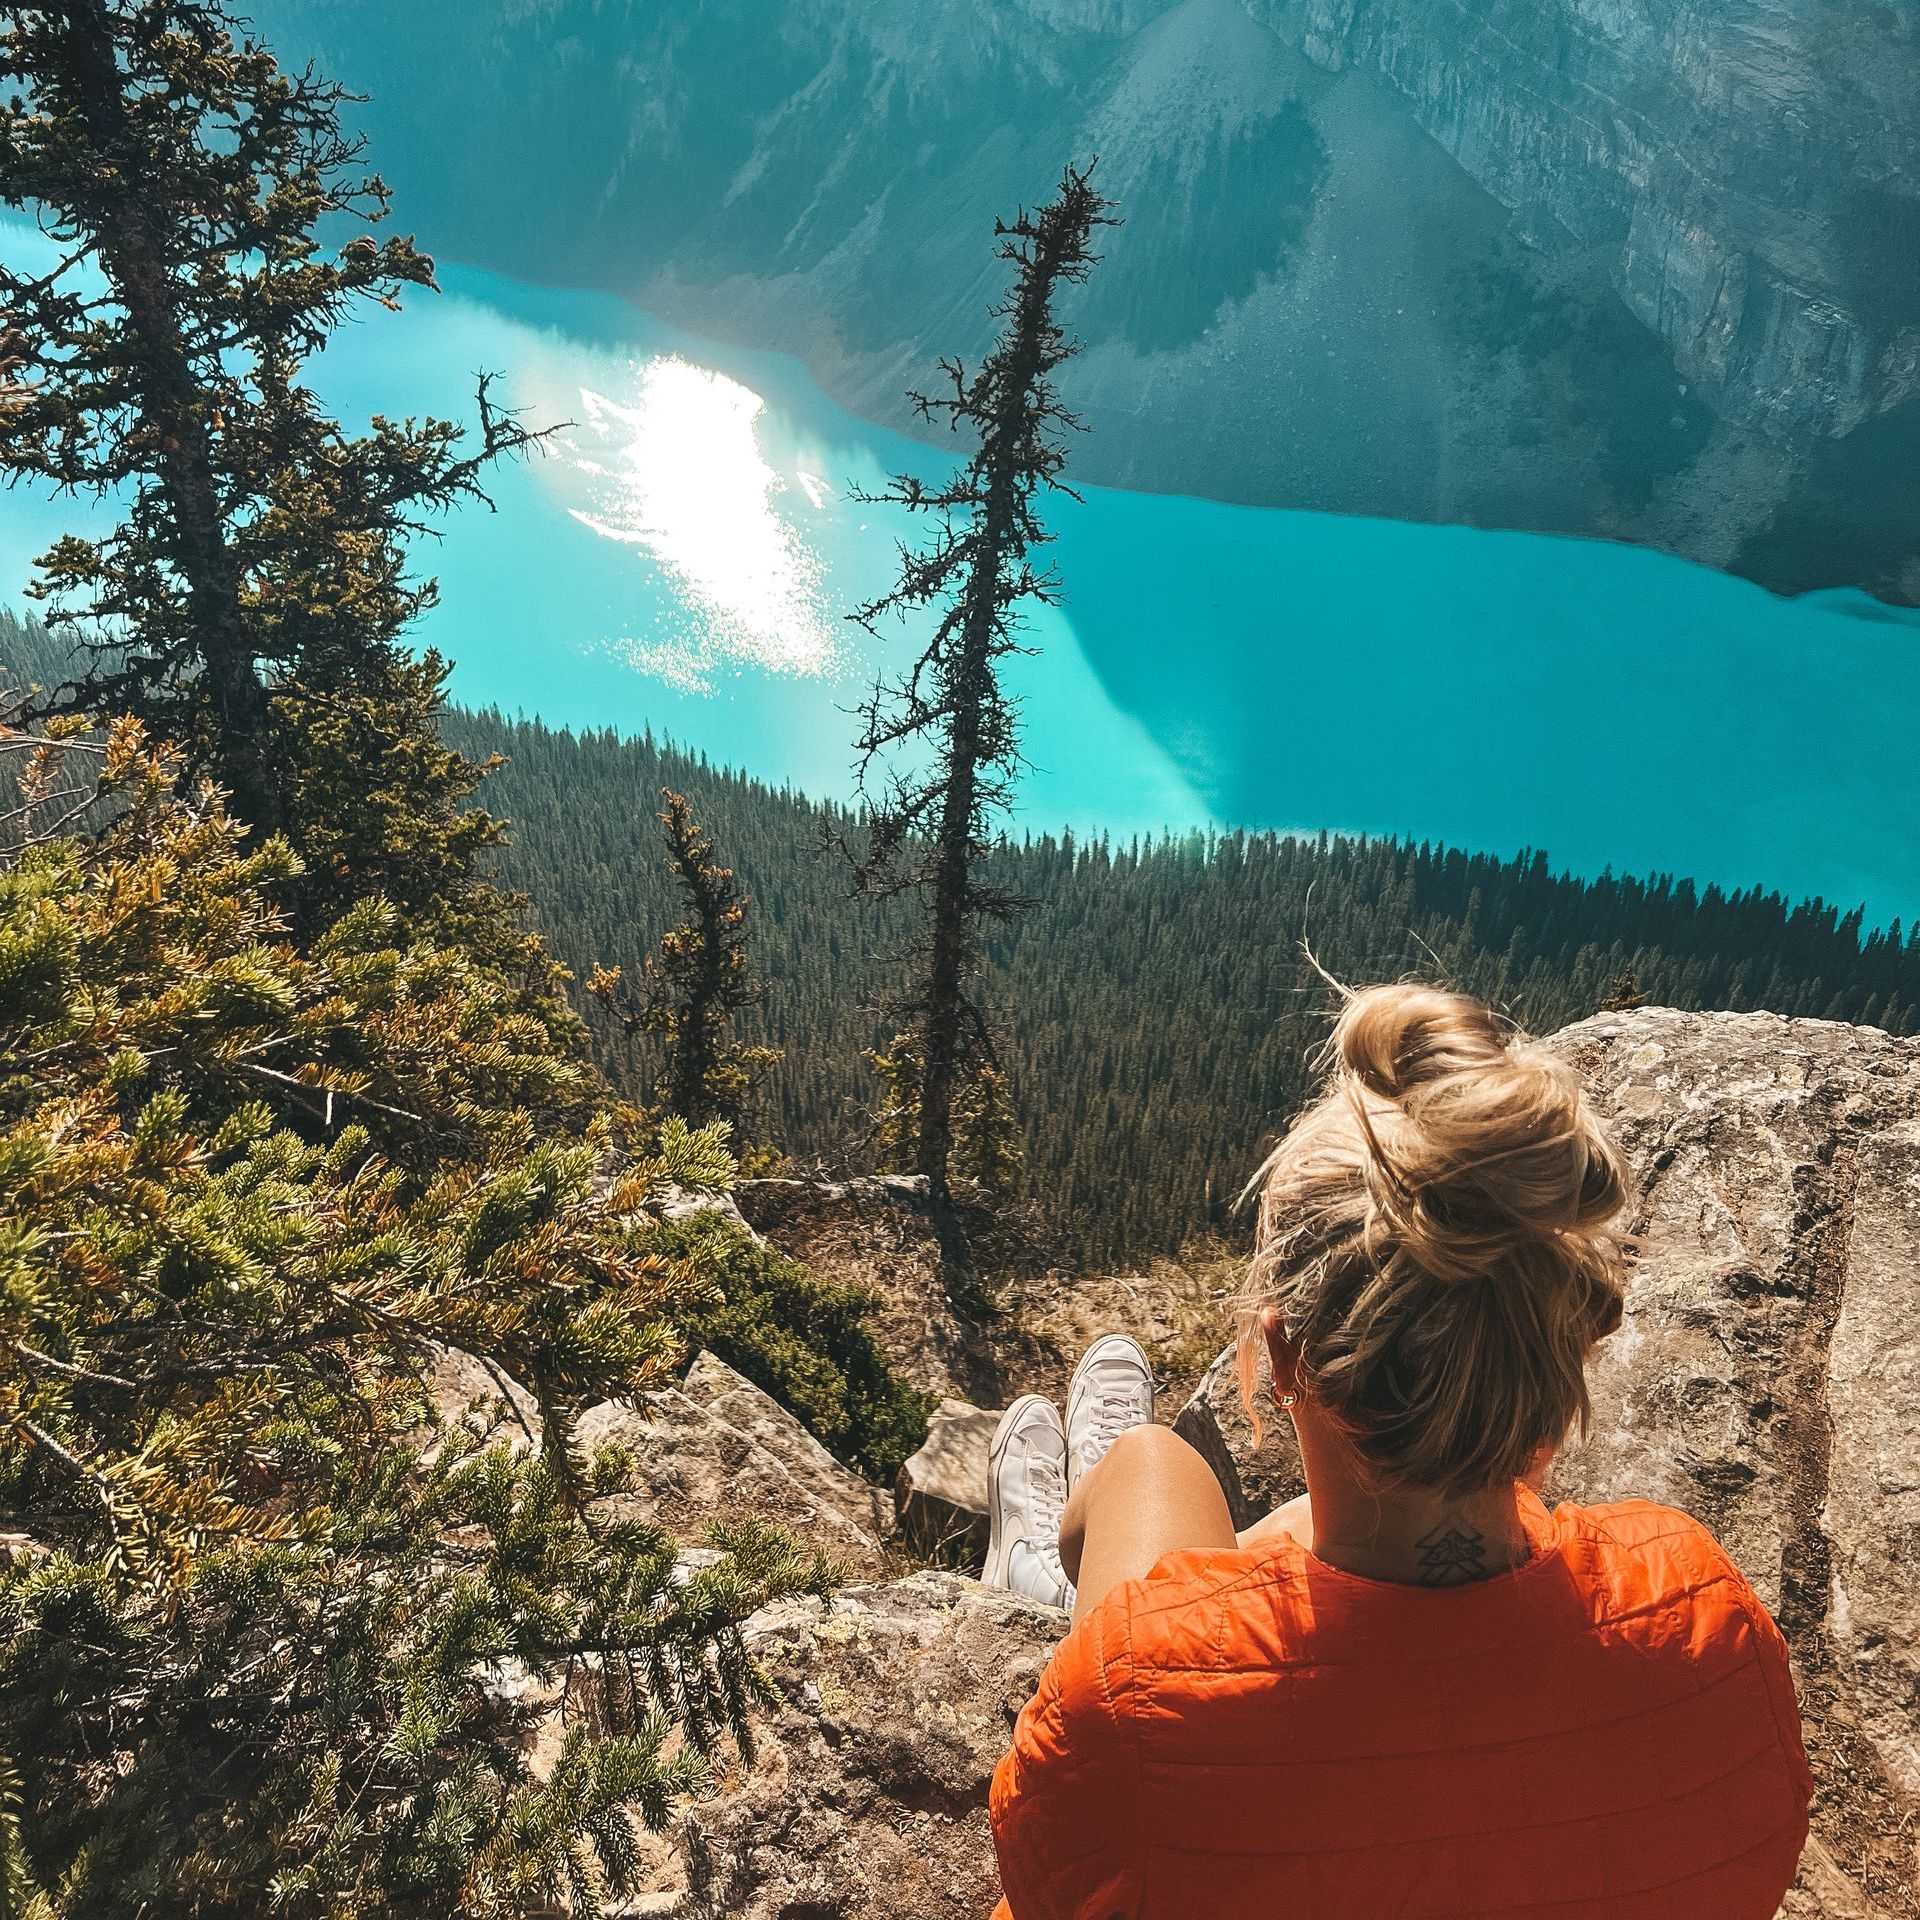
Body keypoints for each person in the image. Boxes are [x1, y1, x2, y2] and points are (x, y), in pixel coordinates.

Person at [982, 981, 1812, 1919]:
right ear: (1565, 1347)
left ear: (1285, 1354)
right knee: (1264, 1517)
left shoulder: (1132, 1704)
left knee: (1150, 1463)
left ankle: (1040, 1577)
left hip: (1171, 1697)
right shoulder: (1703, 1622)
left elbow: (1041, 1885)